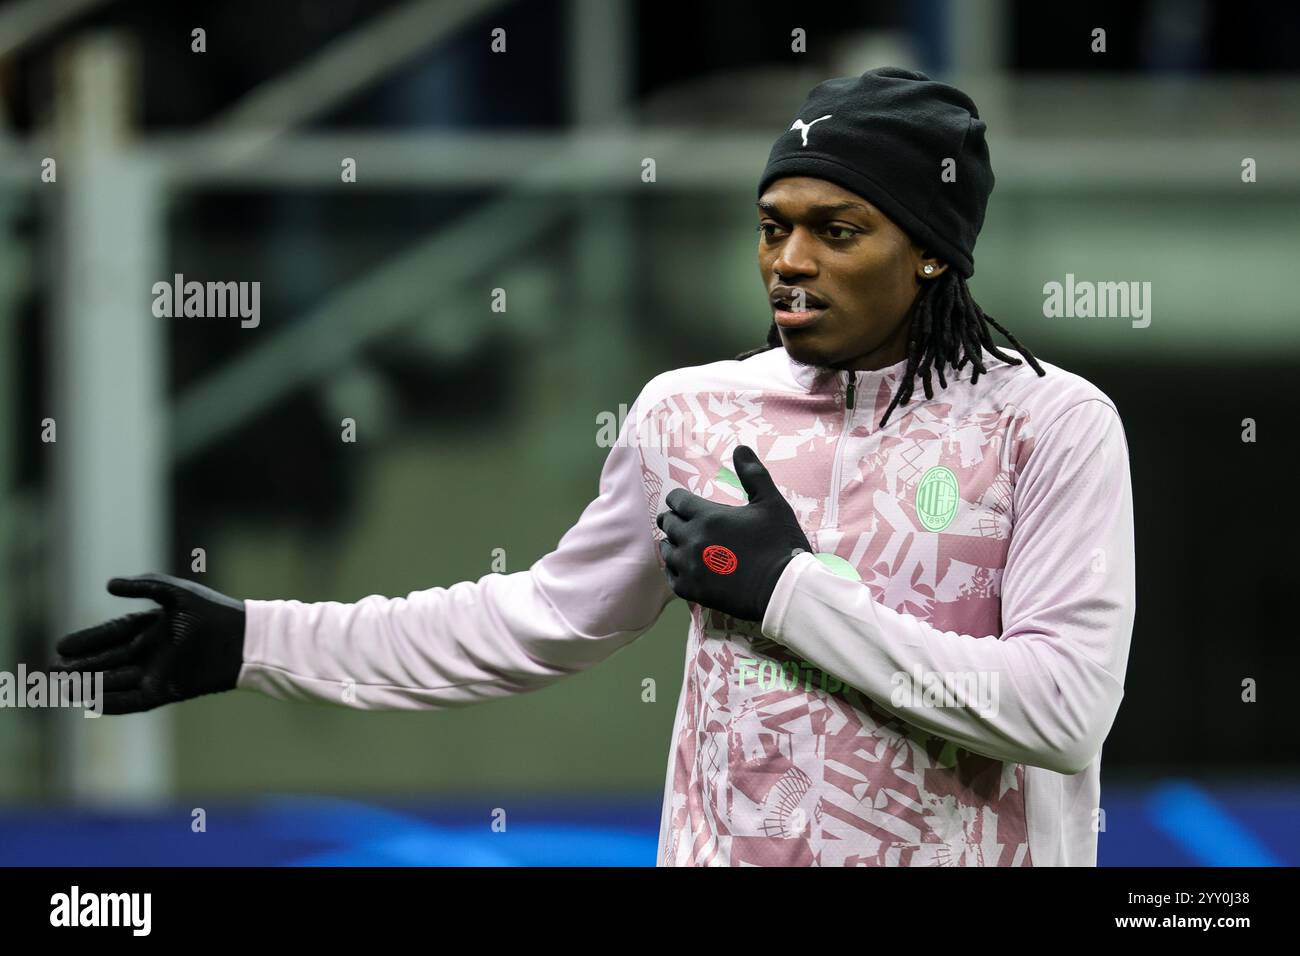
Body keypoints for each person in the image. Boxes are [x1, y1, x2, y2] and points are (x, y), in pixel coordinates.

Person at [53, 67, 1135, 867]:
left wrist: (790, 592)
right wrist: (257, 638)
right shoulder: (690, 410)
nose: (788, 261)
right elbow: (532, 619)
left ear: (933, 246)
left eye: (835, 230)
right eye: (772, 227)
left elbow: (1062, 708)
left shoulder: (1051, 426)